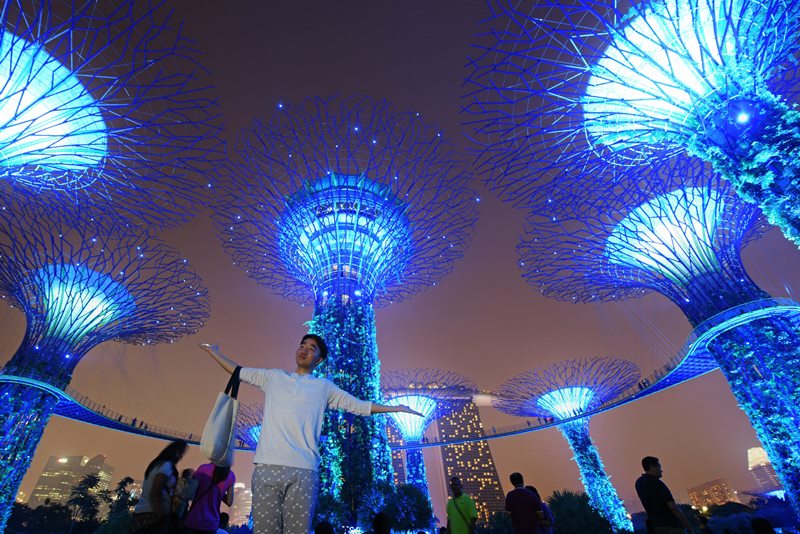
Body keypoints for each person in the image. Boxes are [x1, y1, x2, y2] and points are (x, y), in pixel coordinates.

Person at [200, 336, 422, 534]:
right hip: (267, 469)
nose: (304, 349)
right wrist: (214, 352)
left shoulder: (324, 388)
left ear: (319, 359)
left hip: (303, 472)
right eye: (302, 345)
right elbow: (238, 372)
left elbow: (359, 406)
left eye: (312, 348)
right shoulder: (274, 377)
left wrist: (396, 408)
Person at [131, 439, 188, 534]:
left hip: (142, 513)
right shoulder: (167, 466)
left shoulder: (156, 465)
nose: (181, 457)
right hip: (153, 515)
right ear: (175, 451)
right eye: (181, 452)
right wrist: (160, 512)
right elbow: (156, 490)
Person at [635, 457, 693, 534]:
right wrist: (687, 525)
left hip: (655, 526)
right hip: (670, 525)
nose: (661, 470)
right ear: (652, 467)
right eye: (659, 467)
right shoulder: (657, 483)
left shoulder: (639, 483)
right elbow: (673, 508)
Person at [182, 463, 235, 534]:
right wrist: (218, 493)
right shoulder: (230, 475)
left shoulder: (203, 468)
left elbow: (190, 493)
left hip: (194, 519)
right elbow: (229, 502)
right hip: (211, 523)